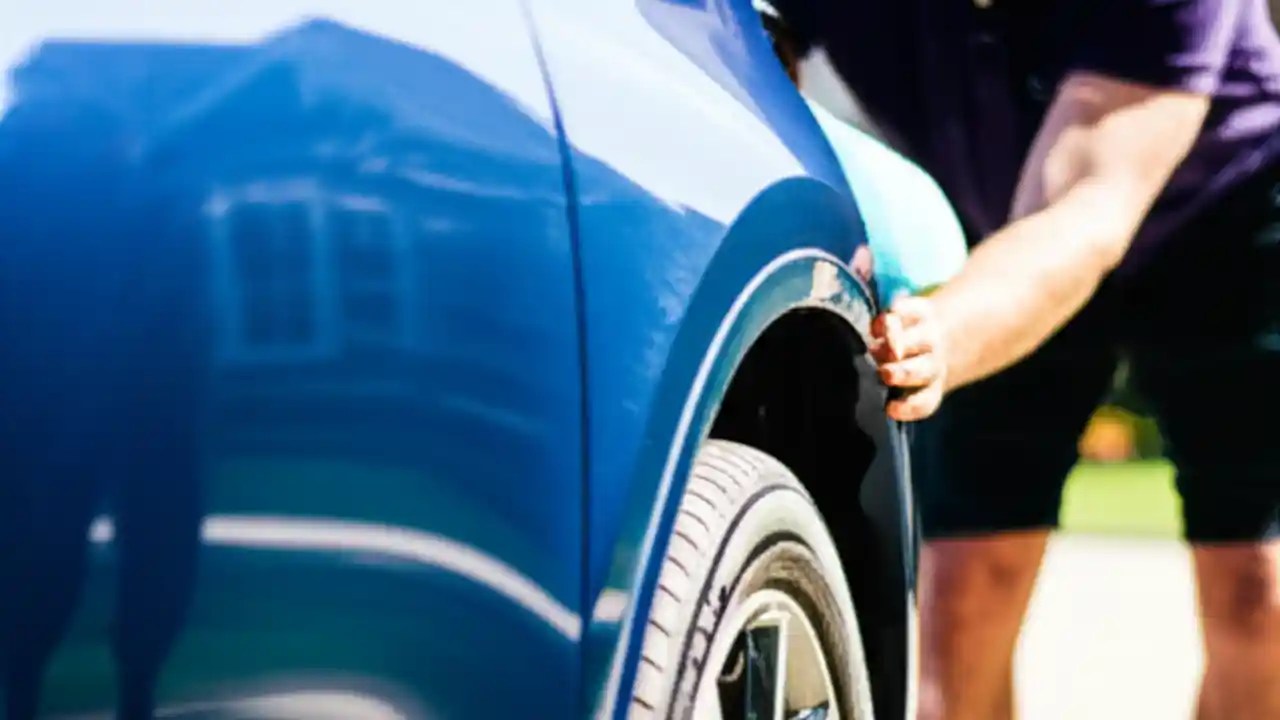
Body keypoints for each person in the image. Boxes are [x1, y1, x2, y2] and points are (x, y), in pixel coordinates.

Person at [763, 1, 1280, 719]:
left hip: (1226, 226)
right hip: (1002, 225)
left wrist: (945, 330)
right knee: (968, 593)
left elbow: (1086, 204)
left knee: (1257, 594)